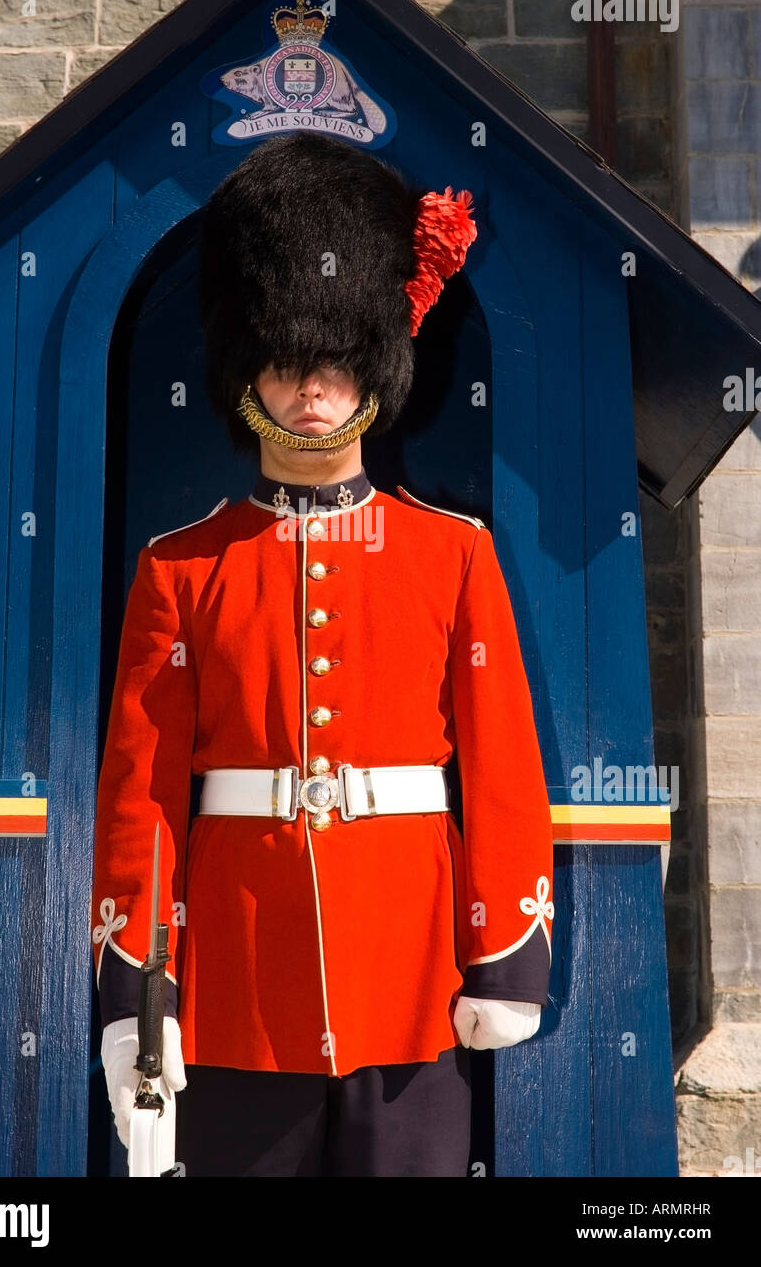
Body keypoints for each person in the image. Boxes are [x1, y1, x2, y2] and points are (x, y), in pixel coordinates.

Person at [92, 131, 554, 1177]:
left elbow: (499, 765)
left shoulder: (450, 555)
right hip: (235, 990)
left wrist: (503, 959)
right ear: (247, 369)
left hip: (412, 974)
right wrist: (137, 995)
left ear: (376, 373)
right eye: (290, 361)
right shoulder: (180, 567)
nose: (312, 389)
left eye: (340, 362)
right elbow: (143, 797)